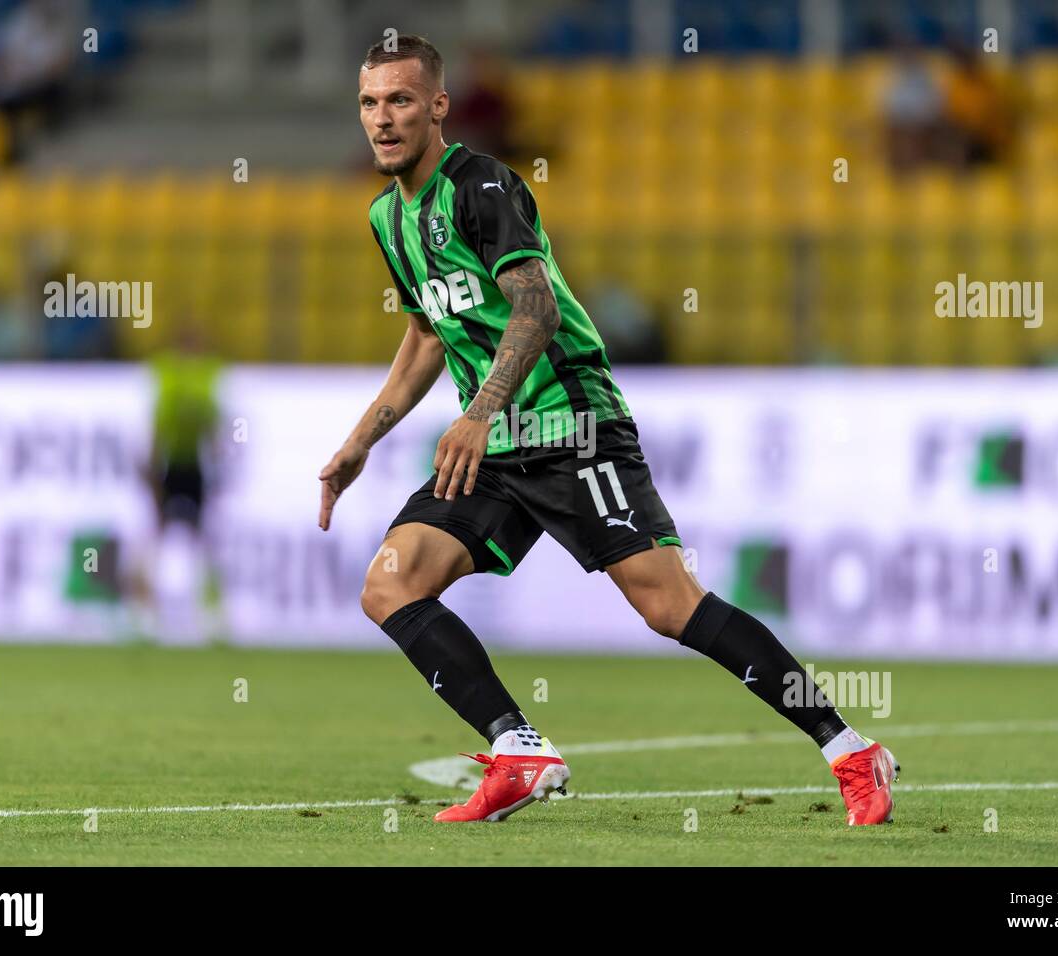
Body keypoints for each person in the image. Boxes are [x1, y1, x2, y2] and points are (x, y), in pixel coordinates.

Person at [318, 35, 898, 825]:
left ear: (437, 107)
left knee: (670, 606)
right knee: (390, 584)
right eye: (369, 103)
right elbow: (426, 335)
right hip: (494, 445)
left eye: (400, 101)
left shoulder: (482, 187)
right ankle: (518, 749)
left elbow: (537, 307)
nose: (382, 120)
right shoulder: (388, 217)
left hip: (569, 424)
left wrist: (477, 414)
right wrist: (361, 441)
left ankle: (851, 751)